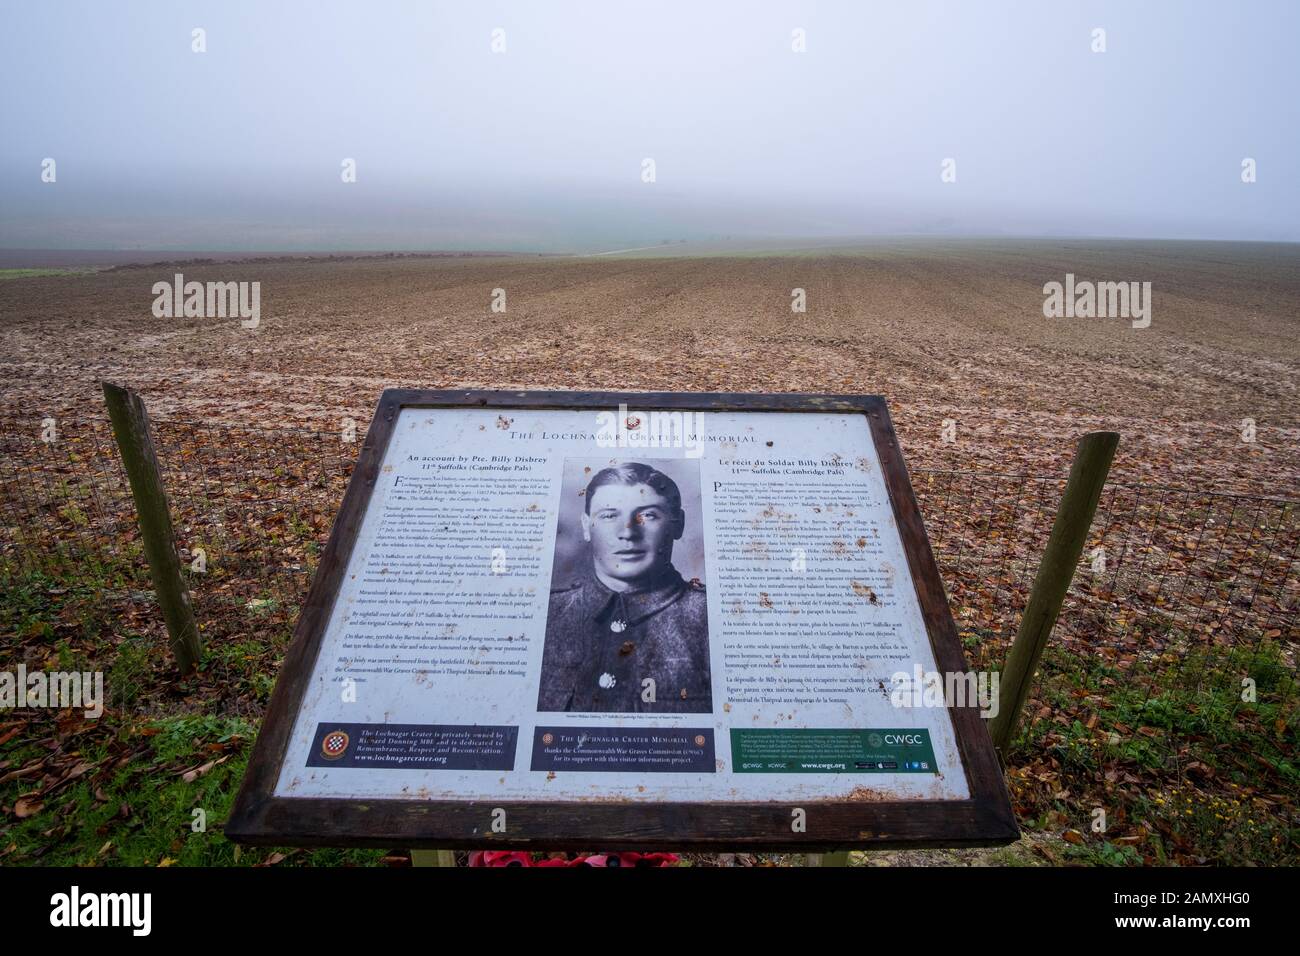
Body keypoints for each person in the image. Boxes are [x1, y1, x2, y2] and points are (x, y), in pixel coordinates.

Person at [537, 462, 711, 713]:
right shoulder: (547, 614)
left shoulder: (709, 618)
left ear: (678, 524)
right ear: (587, 526)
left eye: (648, 515)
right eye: (609, 515)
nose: (628, 533)